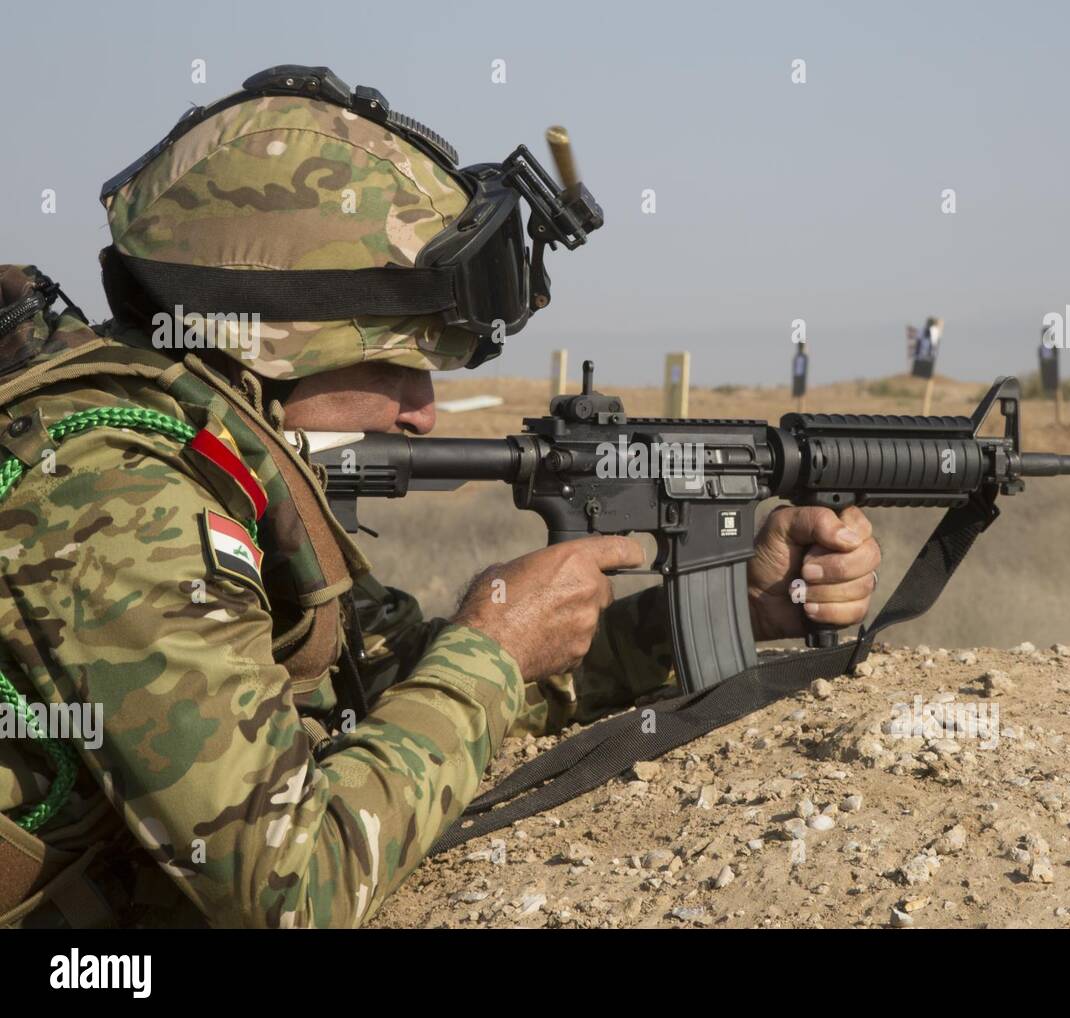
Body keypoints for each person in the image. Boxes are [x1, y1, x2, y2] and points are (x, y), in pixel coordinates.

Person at [0, 67, 880, 928]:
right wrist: (491, 650)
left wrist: (740, 608)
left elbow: (400, 687)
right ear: (273, 344)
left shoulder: (212, 459)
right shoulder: (118, 499)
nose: (422, 411)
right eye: (395, 363)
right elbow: (296, 892)